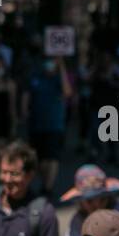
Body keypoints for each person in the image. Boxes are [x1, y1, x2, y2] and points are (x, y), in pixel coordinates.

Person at [23, 55, 72, 192]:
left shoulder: (59, 79)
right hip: (36, 124)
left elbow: (68, 92)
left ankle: (48, 186)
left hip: (55, 125)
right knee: (39, 159)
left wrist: (61, 67)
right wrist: (24, 111)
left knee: (52, 157)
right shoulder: (35, 77)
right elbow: (27, 95)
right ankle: (45, 181)